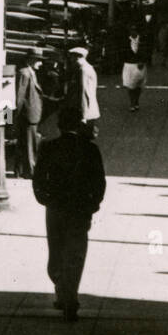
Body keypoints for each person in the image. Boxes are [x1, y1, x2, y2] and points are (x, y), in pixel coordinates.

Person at [33, 105, 106, 322]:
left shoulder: (49, 147)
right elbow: (99, 182)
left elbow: (38, 178)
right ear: (79, 125)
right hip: (81, 210)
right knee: (76, 253)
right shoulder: (90, 150)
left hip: (55, 208)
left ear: (59, 125)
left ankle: (63, 292)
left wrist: (43, 198)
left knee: (56, 252)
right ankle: (69, 293)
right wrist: (94, 204)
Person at [15, 51, 45, 178]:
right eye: (38, 60)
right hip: (28, 115)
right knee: (29, 145)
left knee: (26, 143)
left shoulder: (30, 72)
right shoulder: (25, 73)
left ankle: (20, 170)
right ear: (31, 59)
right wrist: (10, 118)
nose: (41, 63)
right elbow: (18, 97)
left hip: (31, 114)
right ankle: (30, 171)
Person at [64, 46, 100, 139]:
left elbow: (84, 91)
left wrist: (83, 114)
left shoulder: (83, 70)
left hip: (82, 109)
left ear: (78, 57)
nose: (71, 59)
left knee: (81, 136)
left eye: (72, 57)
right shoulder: (86, 68)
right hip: (87, 107)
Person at [119, 22, 149, 112]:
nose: (133, 32)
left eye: (135, 30)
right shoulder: (125, 40)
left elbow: (147, 51)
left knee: (139, 85)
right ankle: (132, 102)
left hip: (140, 65)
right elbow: (122, 52)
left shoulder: (143, 40)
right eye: (131, 30)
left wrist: (143, 61)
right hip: (129, 65)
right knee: (130, 85)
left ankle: (136, 101)